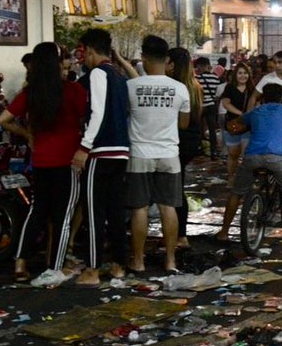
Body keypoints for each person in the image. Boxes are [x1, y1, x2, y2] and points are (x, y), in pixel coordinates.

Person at [0, 43, 88, 285]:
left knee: (37, 212)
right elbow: (86, 117)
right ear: (58, 63)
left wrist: (28, 135)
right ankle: (54, 267)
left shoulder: (31, 92)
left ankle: (20, 262)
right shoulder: (73, 90)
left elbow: (4, 119)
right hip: (67, 161)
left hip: (40, 161)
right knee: (63, 216)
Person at [214, 83, 282, 244]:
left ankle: (224, 232)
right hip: (276, 158)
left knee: (236, 192)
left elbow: (236, 123)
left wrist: (238, 129)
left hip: (251, 157)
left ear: (263, 98)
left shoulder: (255, 112)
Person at [72, 28, 131, 286]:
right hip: (121, 151)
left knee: (94, 211)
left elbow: (97, 113)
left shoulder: (98, 73)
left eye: (83, 52)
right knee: (116, 210)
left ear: (91, 51)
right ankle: (119, 264)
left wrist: (84, 147)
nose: (82, 58)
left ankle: (92, 269)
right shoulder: (119, 75)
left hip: (101, 150)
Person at [125, 36, 188, 274]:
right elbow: (183, 124)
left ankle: (138, 261)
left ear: (143, 58)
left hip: (139, 153)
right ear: (167, 59)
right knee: (168, 206)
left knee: (139, 208)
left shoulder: (131, 86)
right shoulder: (180, 89)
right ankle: (170, 260)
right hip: (169, 154)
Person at [168, 47, 203, 247]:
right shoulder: (194, 86)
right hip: (191, 140)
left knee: (173, 189)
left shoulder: (176, 87)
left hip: (178, 139)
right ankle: (180, 234)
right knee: (177, 185)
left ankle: (179, 235)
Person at [220, 61, 255, 189]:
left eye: (245, 73)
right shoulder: (229, 88)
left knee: (247, 154)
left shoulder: (252, 89)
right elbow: (226, 103)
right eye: (240, 73)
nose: (243, 76)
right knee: (233, 154)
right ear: (235, 75)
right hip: (232, 126)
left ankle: (247, 180)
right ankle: (231, 177)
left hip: (248, 127)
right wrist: (241, 113)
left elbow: (257, 104)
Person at [194, 56, 221, 160]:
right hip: (211, 106)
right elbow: (217, 94)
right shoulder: (215, 78)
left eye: (198, 67)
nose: (197, 69)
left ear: (201, 66)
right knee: (212, 129)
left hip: (200, 106)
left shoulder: (197, 78)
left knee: (198, 128)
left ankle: (200, 149)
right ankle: (213, 151)